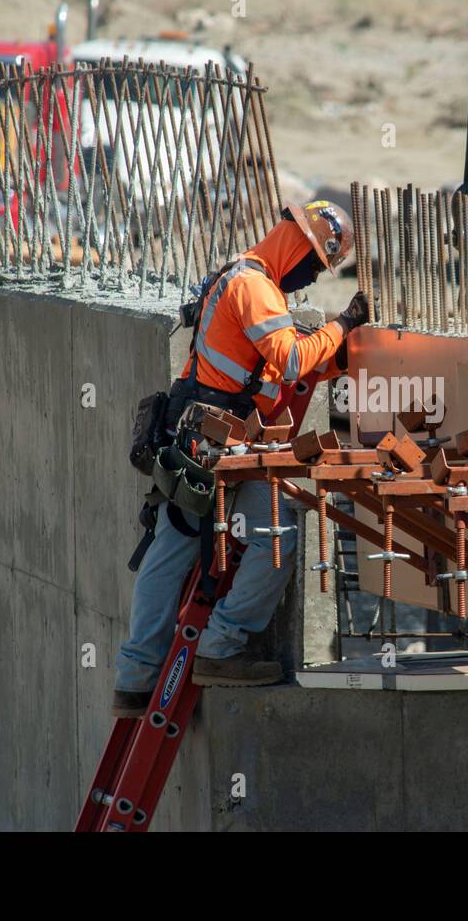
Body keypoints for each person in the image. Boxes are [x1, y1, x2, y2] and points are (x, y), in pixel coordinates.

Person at [113, 200, 369, 715]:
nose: (313, 277)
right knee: (262, 538)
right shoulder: (253, 287)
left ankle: (140, 677)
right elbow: (292, 358)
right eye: (316, 264)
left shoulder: (243, 277)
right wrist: (344, 325)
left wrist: (332, 356)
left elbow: (270, 367)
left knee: (187, 546)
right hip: (211, 444)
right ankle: (213, 649)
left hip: (216, 439)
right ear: (297, 246)